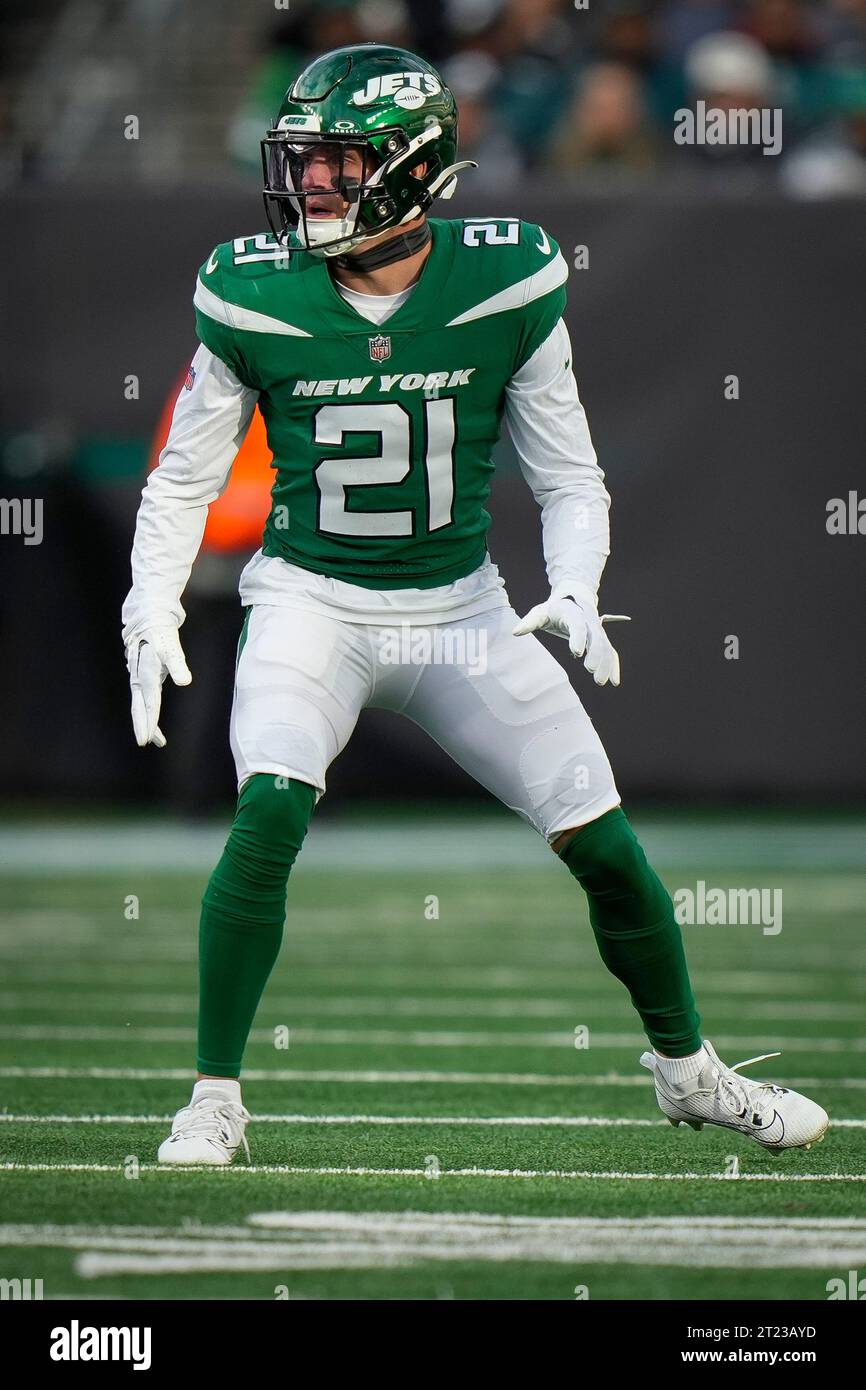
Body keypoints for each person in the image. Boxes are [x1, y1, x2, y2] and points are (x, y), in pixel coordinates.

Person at [122, 42, 827, 1164]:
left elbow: (567, 471)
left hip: (460, 610)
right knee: (268, 810)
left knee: (605, 847)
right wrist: (148, 603)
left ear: (409, 169)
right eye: (303, 160)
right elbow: (183, 477)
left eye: (339, 162)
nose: (310, 184)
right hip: (313, 600)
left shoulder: (505, 276)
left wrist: (578, 584)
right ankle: (213, 1097)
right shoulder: (250, 288)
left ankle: (688, 1072)